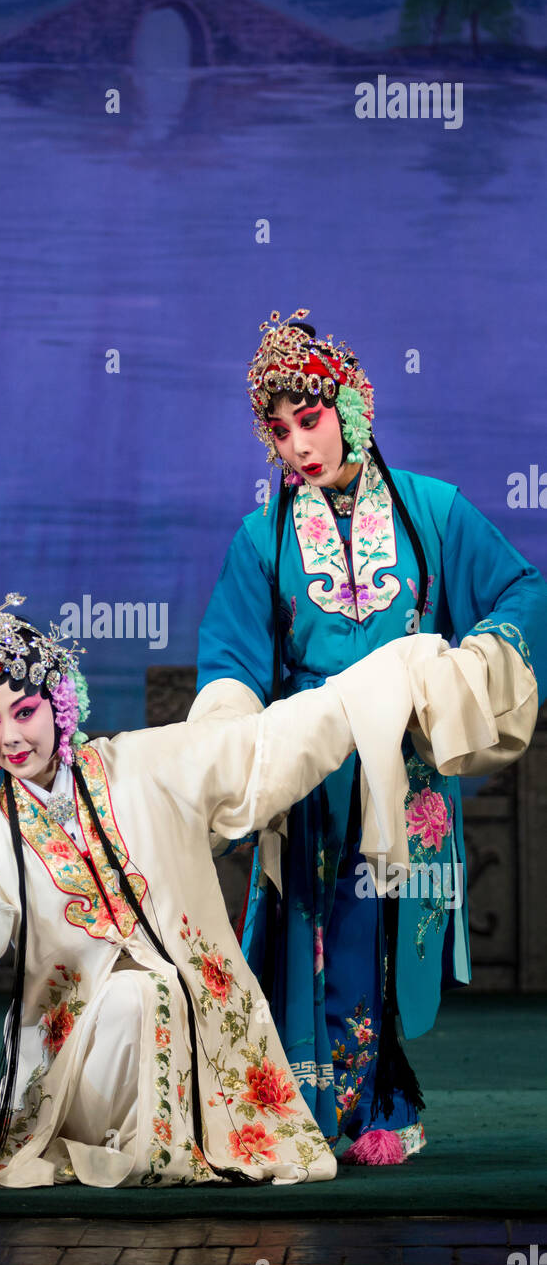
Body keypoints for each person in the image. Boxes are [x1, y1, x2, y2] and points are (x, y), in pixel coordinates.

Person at [0, 594, 488, 1222]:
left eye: (26, 712)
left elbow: (270, 744)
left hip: (210, 1044)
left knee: (158, 990)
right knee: (136, 993)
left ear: (60, 706)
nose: (11, 737)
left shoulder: (148, 764)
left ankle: (190, 1135)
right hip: (79, 1062)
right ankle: (114, 1142)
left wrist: (382, 677)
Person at [191, 307, 547, 1165]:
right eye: (279, 432)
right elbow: (232, 657)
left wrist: (462, 671)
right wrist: (233, 734)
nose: (298, 446)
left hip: (403, 769)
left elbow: (522, 592)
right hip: (310, 763)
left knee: (383, 925)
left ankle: (382, 1102)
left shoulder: (433, 512)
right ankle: (297, 1104)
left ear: (350, 407)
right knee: (300, 926)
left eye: (309, 420)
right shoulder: (263, 537)